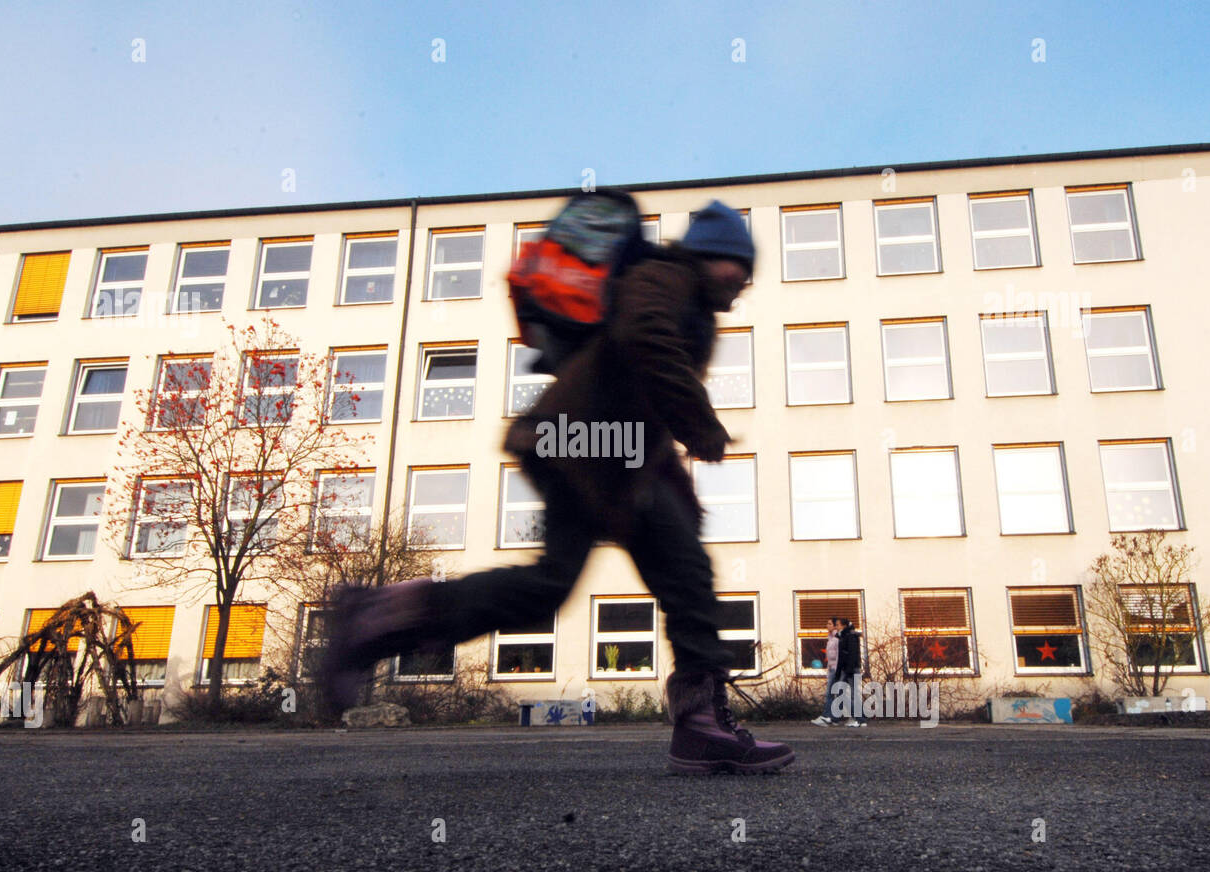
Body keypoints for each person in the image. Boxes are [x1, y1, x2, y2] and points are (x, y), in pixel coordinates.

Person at [319, 200, 795, 774]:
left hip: (599, 452)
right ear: (715, 257)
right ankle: (700, 726)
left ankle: (383, 617)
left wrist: (674, 475)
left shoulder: (681, 292)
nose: (744, 282)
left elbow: (637, 392)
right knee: (683, 572)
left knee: (555, 586)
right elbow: (644, 339)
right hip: (584, 445)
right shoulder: (666, 276)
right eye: (740, 267)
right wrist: (701, 425)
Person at [834, 618, 866, 727]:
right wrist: (839, 672)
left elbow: (852, 655)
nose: (836, 626)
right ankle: (856, 718)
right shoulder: (843, 637)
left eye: (837, 624)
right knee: (842, 693)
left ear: (843, 626)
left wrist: (848, 670)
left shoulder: (850, 636)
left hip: (851, 670)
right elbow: (841, 656)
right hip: (846, 669)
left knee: (853, 695)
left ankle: (860, 719)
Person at [810, 618, 840, 726]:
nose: (827, 625)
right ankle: (834, 718)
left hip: (835, 669)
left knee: (830, 693)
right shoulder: (831, 638)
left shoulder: (836, 639)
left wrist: (836, 669)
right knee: (836, 693)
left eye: (829, 623)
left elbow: (838, 655)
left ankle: (827, 716)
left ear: (835, 626)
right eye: (827, 623)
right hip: (832, 668)